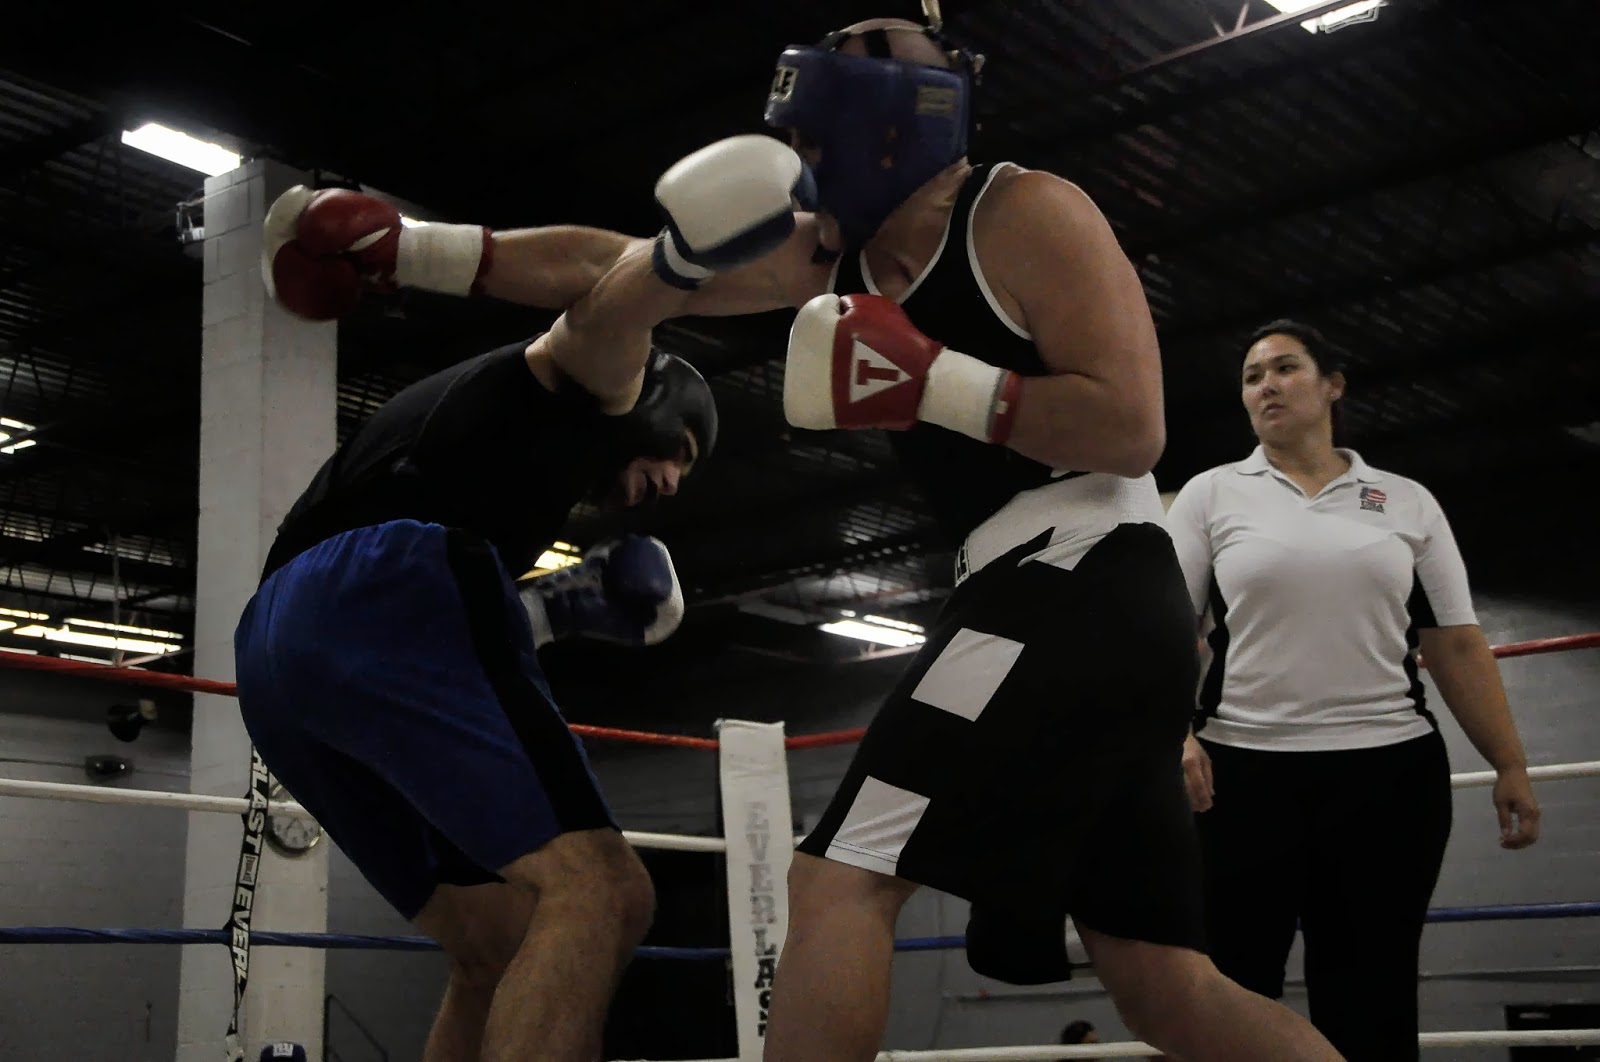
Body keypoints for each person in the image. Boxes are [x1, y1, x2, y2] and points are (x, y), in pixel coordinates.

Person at [263, 20, 1348, 1060]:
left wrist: (937, 382)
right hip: (1069, 601)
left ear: (916, 100)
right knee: (1166, 988)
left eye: (862, 62)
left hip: (1078, 568)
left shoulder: (1021, 210)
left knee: (839, 880)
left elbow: (1132, 426)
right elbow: (616, 268)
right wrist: (418, 249)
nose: (816, 125)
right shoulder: (833, 256)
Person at [231, 176, 785, 1062]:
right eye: (676, 455)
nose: (674, 485)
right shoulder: (597, 377)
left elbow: (413, 649)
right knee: (605, 892)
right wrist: (419, 249)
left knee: (490, 941)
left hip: (275, 648)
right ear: (650, 402)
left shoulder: (503, 475)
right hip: (381, 586)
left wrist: (561, 612)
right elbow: (604, 279)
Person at [1164, 319, 1543, 1061]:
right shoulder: (1211, 495)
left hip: (1389, 778)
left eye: (1285, 368)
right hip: (1239, 776)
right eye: (1251, 376)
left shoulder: (1405, 501)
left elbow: (1456, 642)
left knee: (1371, 994)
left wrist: (1510, 763)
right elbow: (1169, 631)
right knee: (1229, 992)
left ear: (1333, 385)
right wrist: (1172, 734)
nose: (1266, 385)